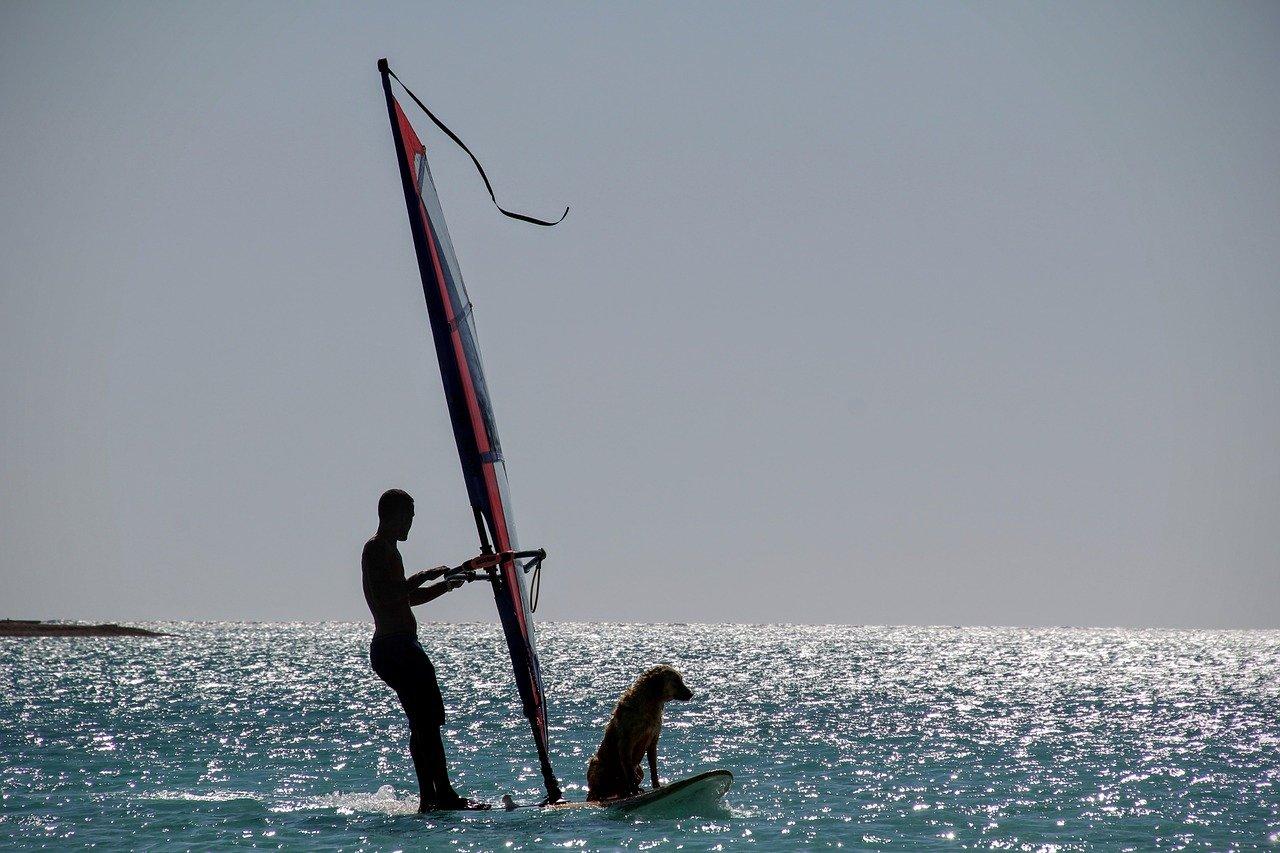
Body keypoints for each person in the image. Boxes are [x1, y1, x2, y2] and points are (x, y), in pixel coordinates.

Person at [362, 488, 497, 811]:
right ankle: (444, 795)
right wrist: (422, 576)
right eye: (408, 516)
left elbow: (407, 598)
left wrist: (446, 584)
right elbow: (387, 596)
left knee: (422, 723)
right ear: (392, 516)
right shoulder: (377, 549)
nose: (410, 523)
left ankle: (429, 798)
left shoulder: (391, 551)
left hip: (398, 647)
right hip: (396, 648)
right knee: (428, 722)